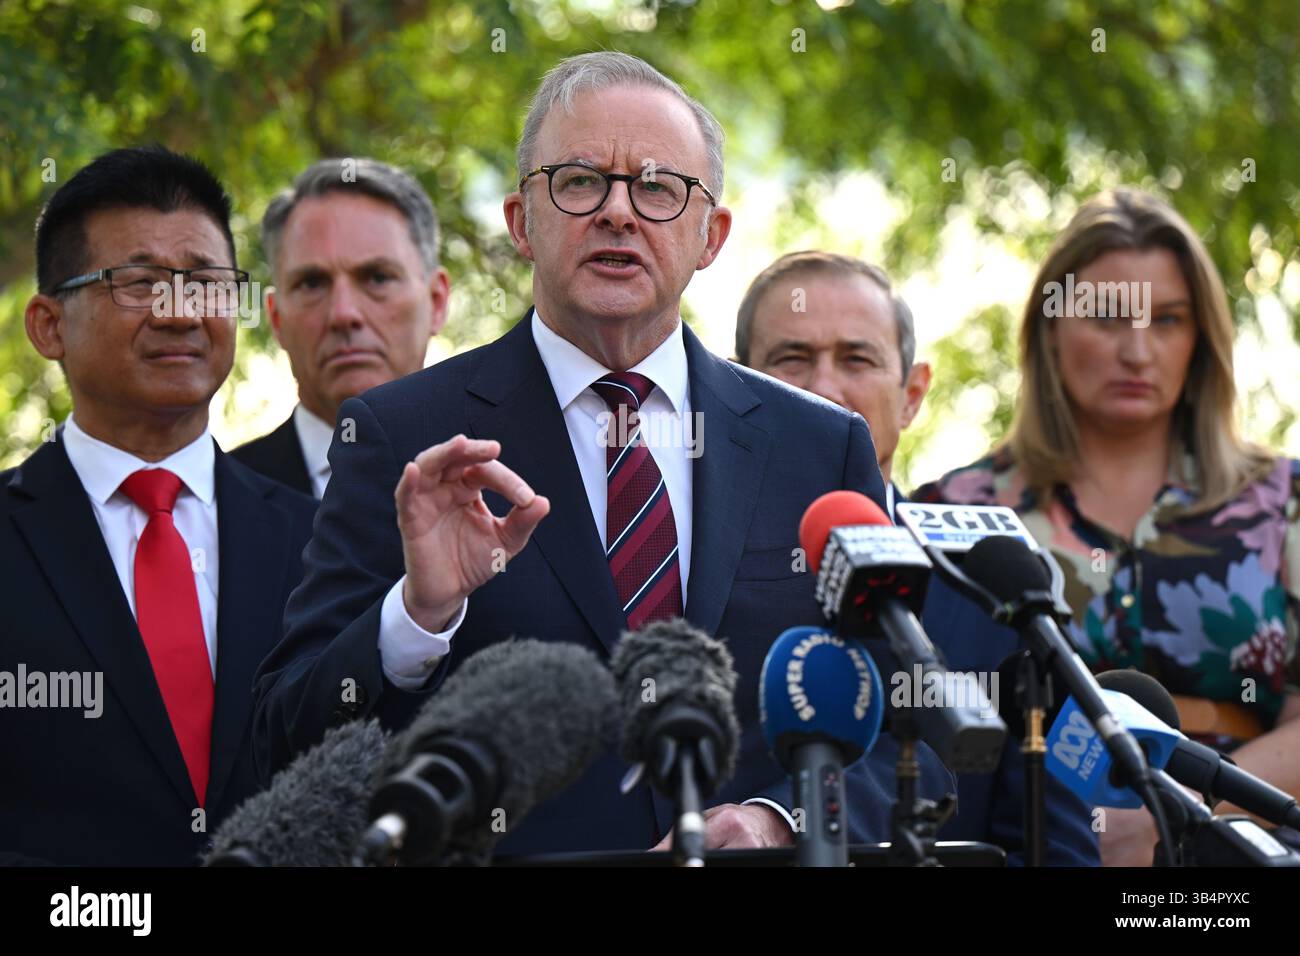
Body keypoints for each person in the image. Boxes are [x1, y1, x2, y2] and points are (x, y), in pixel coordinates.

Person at [253, 52, 954, 857]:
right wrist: (418, 614)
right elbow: (285, 738)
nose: (619, 213)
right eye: (580, 181)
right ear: (522, 222)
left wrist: (778, 821)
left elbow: (914, 746)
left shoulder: (820, 447)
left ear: (710, 236)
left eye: (658, 188)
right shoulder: (402, 434)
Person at [914, 187, 1300, 865]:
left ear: (1202, 338)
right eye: (1108, 317)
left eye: (1169, 320)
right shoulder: (956, 508)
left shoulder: (1283, 501)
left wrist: (1176, 817)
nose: (1138, 350)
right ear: (1049, 326)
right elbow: (928, 723)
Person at [1, 146, 316, 865]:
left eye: (206, 284)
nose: (180, 314)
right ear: (49, 325)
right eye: (138, 283)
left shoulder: (316, 538)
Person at [736, 250, 1099, 865]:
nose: (825, 387)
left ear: (912, 393)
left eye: (857, 358)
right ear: (738, 383)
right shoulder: (682, 568)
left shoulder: (998, 586)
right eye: (791, 358)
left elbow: (1056, 845)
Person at [232, 158, 450, 498]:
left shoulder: (517, 477)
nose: (343, 314)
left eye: (377, 278)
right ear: (277, 320)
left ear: (436, 302)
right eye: (312, 284)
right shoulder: (216, 502)